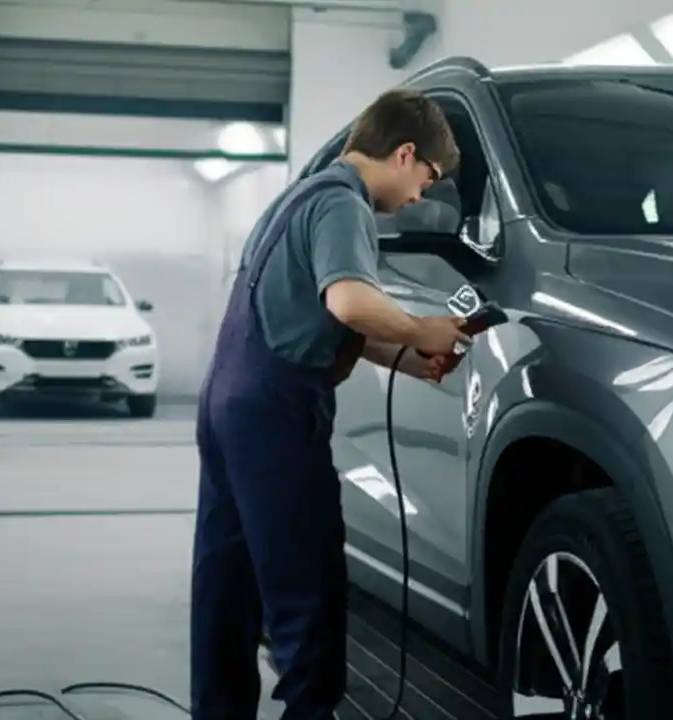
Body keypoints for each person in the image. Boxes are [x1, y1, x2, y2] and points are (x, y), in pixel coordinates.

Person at [190, 88, 467, 719]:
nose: (422, 195)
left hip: (228, 400)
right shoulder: (345, 205)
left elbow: (313, 315)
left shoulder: (297, 196)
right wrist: (423, 328)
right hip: (275, 416)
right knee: (307, 596)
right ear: (404, 154)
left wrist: (404, 359)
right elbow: (347, 301)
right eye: (427, 177)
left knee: (226, 591)